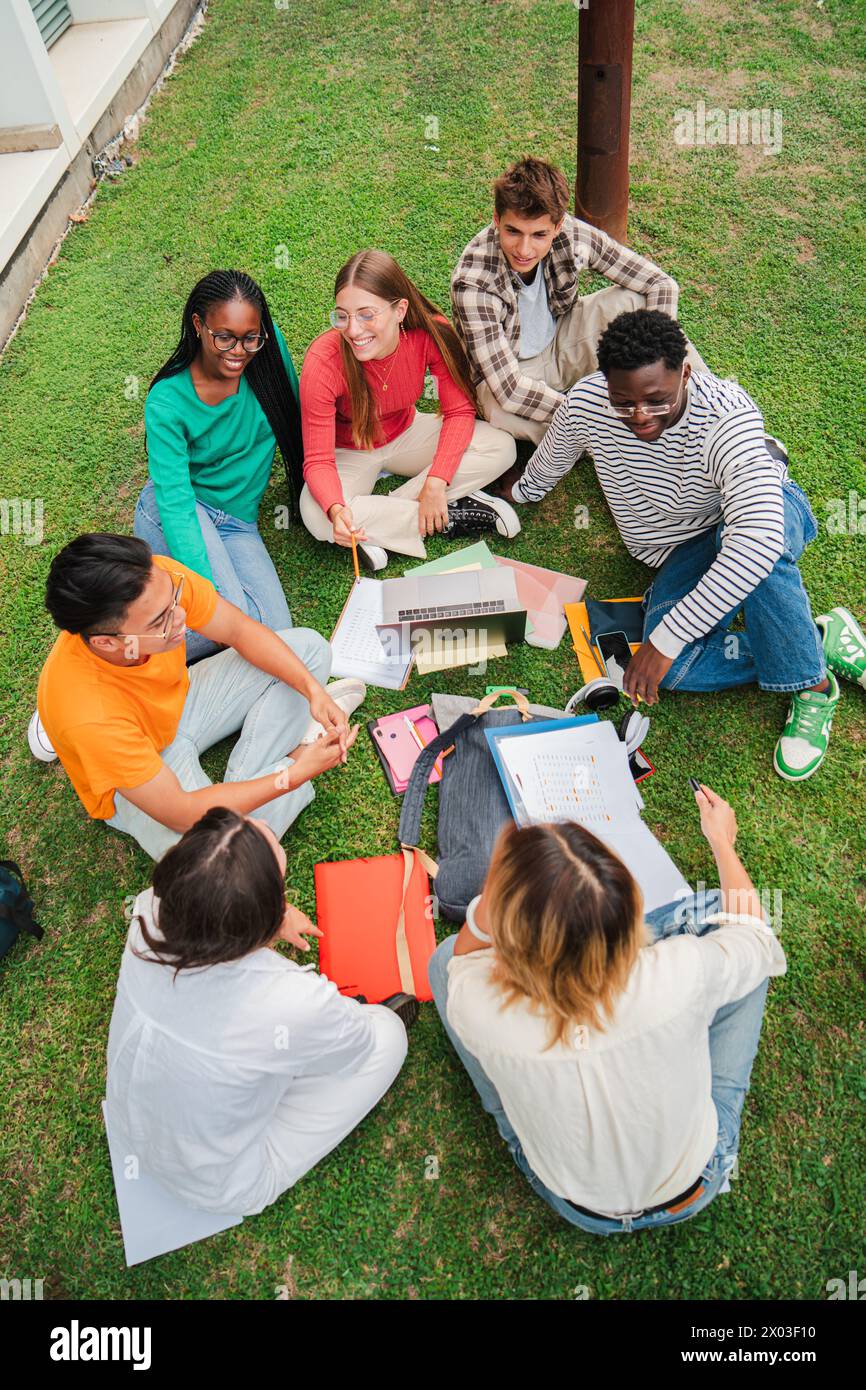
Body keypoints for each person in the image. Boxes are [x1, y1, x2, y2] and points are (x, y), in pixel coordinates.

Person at [501, 308, 866, 781]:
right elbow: (554, 458)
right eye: (623, 400)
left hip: (761, 511)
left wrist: (669, 637)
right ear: (604, 381)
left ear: (685, 373)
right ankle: (815, 639)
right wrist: (519, 493)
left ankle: (813, 686)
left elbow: (756, 539)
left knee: (762, 554)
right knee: (668, 672)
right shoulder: (587, 403)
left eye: (656, 400)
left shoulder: (726, 417)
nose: (638, 416)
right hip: (684, 548)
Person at [429, 785, 786, 1234]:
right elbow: (755, 936)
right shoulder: (679, 974)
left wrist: (491, 908)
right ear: (628, 916)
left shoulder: (481, 1008)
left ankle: (504, 1107)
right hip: (697, 1180)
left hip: (576, 1203)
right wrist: (722, 843)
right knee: (727, 913)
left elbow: (463, 959)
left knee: (444, 962)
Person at [106, 808, 411, 1216]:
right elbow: (356, 1045)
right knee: (388, 1036)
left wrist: (262, 920)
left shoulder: (149, 912)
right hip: (218, 1183)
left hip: (133, 1125)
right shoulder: (291, 1000)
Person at [35, 533, 363, 860]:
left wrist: (313, 692)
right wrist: (293, 776)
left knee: (310, 652)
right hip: (139, 780)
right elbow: (182, 812)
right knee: (221, 860)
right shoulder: (88, 715)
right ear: (107, 642)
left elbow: (239, 630)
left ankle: (251, 796)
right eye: (161, 621)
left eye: (174, 598)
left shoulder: (157, 583)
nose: (180, 616)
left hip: (183, 701)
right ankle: (294, 757)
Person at [450, 156, 709, 448]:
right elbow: (509, 390)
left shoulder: (572, 234)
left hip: (562, 339)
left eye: (539, 235)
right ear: (497, 220)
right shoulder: (473, 283)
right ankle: (620, 445)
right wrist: (592, 413)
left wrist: (661, 366)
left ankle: (713, 411)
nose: (524, 249)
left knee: (631, 300)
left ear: (558, 226)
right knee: (501, 412)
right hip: (511, 372)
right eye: (513, 231)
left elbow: (660, 284)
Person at [299, 249, 519, 571]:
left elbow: (458, 411)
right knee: (317, 515)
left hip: (406, 432)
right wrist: (336, 509)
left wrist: (436, 482)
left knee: (501, 447)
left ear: (400, 309)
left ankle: (383, 522)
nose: (353, 330)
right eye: (342, 315)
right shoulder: (323, 362)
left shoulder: (429, 334)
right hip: (349, 452)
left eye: (366, 314)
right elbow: (318, 460)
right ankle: (448, 513)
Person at [135, 270, 302, 663]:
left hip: (238, 522)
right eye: (223, 337)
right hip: (182, 509)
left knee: (277, 631)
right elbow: (176, 504)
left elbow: (299, 413)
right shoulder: (167, 402)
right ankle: (126, 651)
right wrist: (213, 603)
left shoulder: (269, 353)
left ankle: (193, 637)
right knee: (229, 621)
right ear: (198, 325)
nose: (239, 350)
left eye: (250, 337)